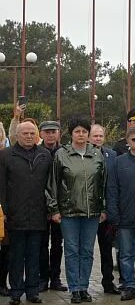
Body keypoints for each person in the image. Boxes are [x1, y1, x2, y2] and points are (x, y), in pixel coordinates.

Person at [46, 117, 107, 304]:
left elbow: (103, 184)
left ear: (88, 134)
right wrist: (54, 209)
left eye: (84, 132)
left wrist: (103, 207)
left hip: (92, 212)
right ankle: (74, 289)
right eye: (77, 131)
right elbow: (53, 183)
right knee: (72, 250)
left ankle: (84, 287)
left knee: (87, 251)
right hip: (69, 212)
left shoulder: (97, 155)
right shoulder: (61, 155)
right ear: (71, 134)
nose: (81, 135)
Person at [0, 121, 52, 304]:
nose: (29, 136)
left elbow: (50, 186)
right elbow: (2, 187)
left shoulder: (45, 156)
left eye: (32, 133)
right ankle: (16, 292)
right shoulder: (6, 156)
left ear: (37, 135)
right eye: (25, 133)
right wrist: (4, 211)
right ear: (17, 135)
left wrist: (50, 209)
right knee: (15, 256)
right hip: (15, 215)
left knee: (34, 255)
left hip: (38, 215)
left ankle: (32, 291)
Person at [107, 126, 135, 301]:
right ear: (127, 142)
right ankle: (128, 286)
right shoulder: (118, 163)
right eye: (134, 139)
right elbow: (112, 189)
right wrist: (114, 215)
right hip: (125, 217)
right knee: (125, 254)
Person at [38, 120, 67, 292]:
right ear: (41, 134)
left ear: (59, 133)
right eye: (47, 132)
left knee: (57, 244)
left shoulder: (64, 152)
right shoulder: (36, 151)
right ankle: (42, 278)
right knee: (41, 244)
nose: (50, 135)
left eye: (53, 132)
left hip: (60, 206)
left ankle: (55, 278)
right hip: (39, 206)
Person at [90, 124, 119, 294]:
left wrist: (109, 209)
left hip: (106, 212)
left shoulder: (112, 155)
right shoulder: (82, 153)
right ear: (89, 137)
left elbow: (113, 184)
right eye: (95, 136)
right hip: (87, 210)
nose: (98, 139)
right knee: (84, 250)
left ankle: (108, 282)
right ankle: (81, 284)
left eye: (101, 136)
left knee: (106, 249)